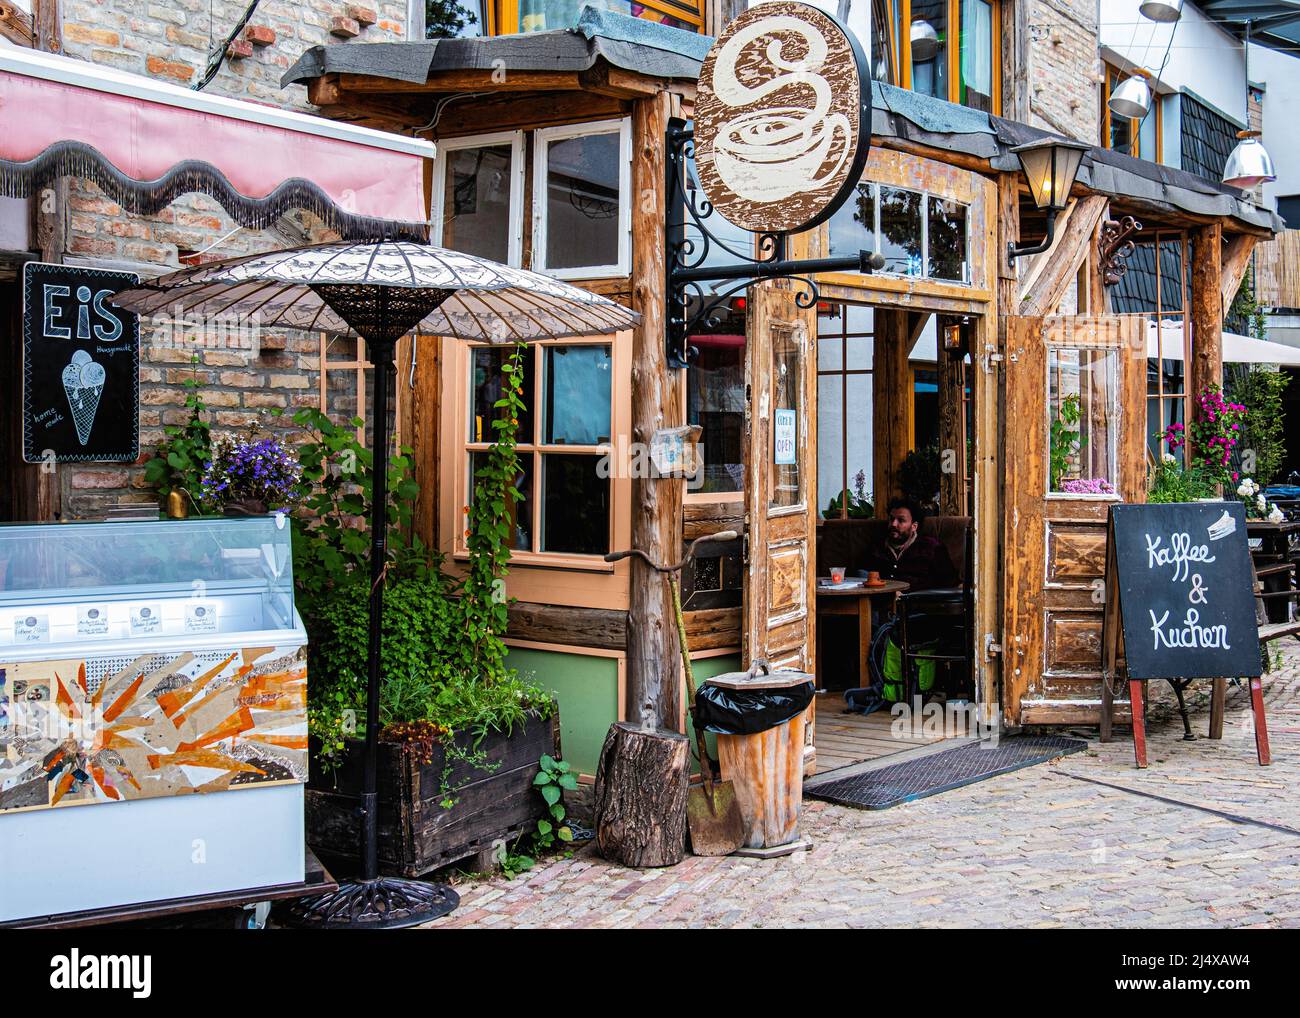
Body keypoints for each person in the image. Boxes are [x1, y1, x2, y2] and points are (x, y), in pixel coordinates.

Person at [861, 497, 958, 591]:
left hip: (918, 602)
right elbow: (861, 576)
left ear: (914, 526)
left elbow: (950, 582)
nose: (893, 524)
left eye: (901, 520)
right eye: (891, 519)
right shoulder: (877, 547)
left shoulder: (932, 547)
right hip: (882, 602)